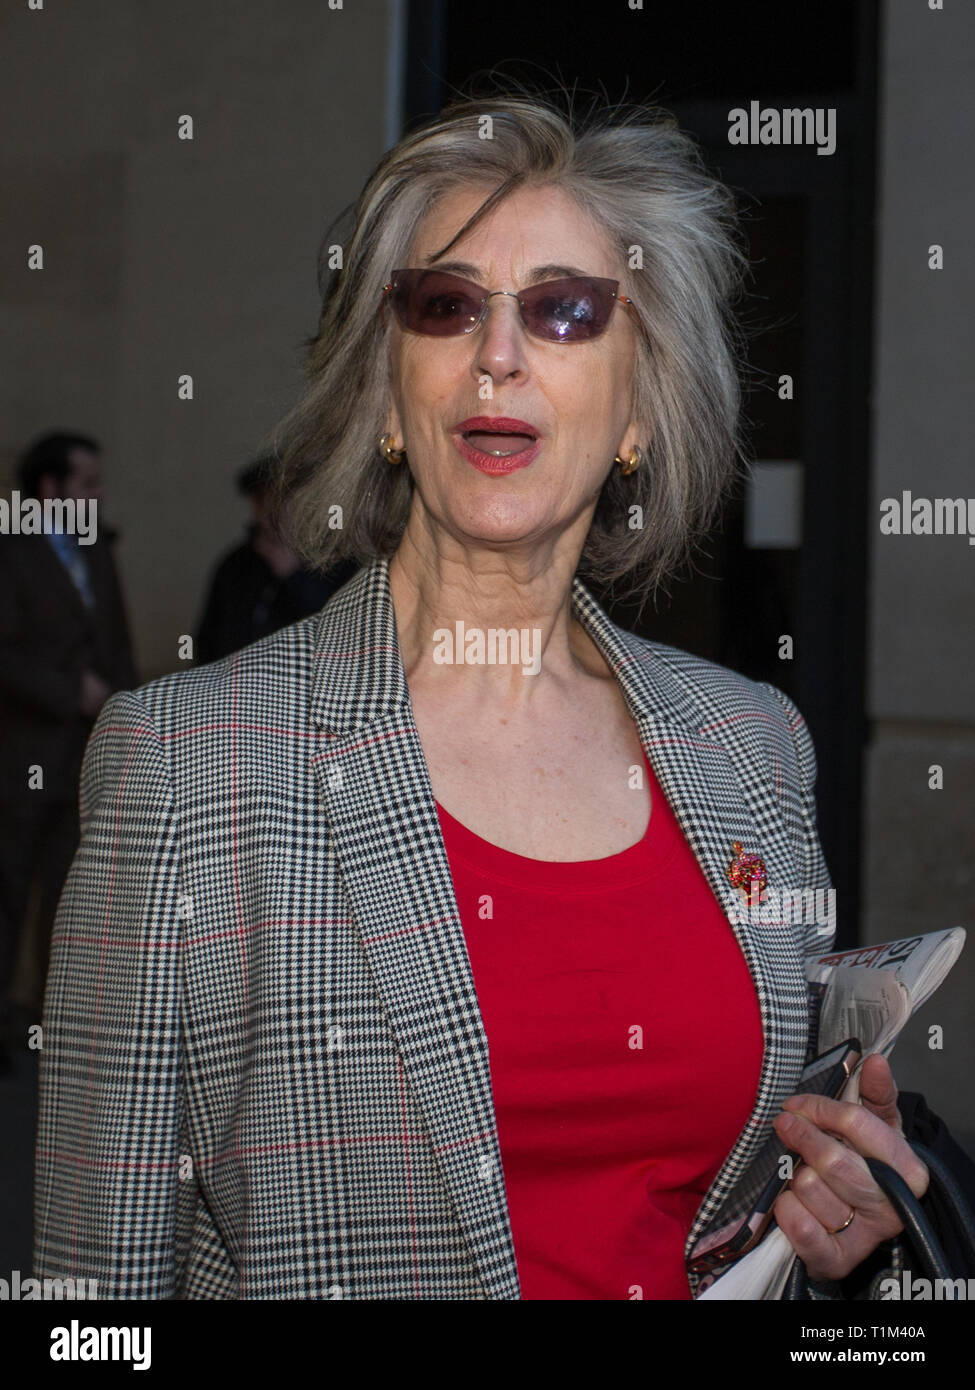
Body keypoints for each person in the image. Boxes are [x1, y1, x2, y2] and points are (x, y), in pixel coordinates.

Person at [33, 91, 949, 1300]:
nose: (499, 353)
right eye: (447, 306)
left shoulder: (753, 745)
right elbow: (90, 1301)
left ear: (635, 409)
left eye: (567, 310)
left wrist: (826, 1231)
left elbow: (736, 1194)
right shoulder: (186, 762)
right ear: (391, 389)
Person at [0, 432, 135, 1065]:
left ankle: (56, 1035)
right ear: (49, 490)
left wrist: (129, 722)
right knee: (9, 891)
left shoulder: (96, 549)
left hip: (85, 758)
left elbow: (118, 645)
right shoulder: (10, 551)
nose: (99, 494)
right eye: (86, 484)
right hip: (21, 756)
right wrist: (67, 692)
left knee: (69, 897)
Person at [194, 457, 357, 664]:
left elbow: (341, 628)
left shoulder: (336, 557)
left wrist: (293, 576)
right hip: (239, 685)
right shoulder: (234, 566)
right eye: (259, 500)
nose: (267, 512)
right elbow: (208, 641)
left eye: (279, 498)